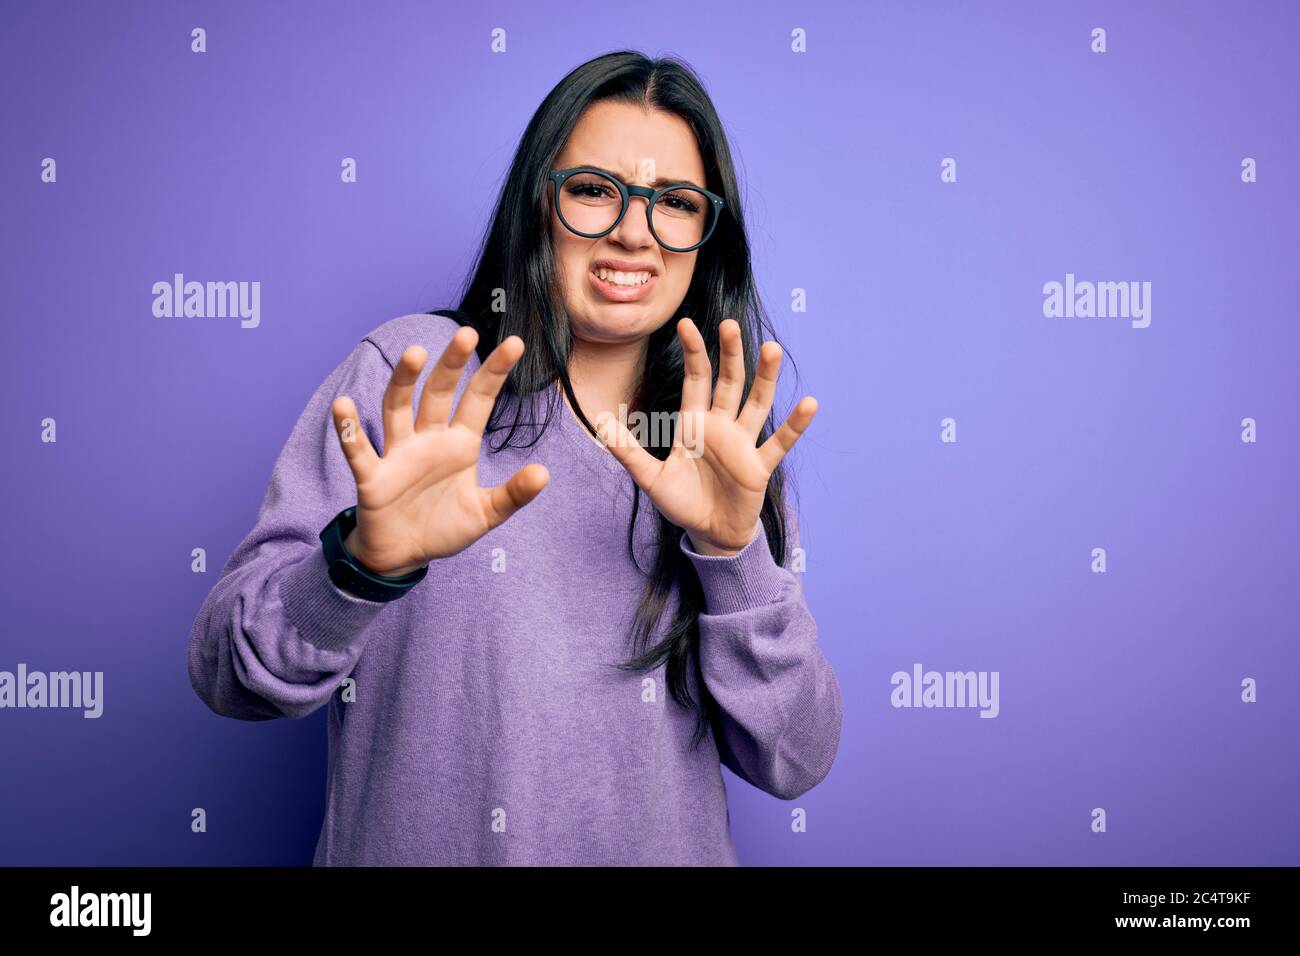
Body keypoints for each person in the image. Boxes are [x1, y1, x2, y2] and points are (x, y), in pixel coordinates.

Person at [187, 49, 843, 866]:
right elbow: (229, 674)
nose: (634, 231)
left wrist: (731, 555)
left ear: (709, 235)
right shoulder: (417, 374)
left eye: (673, 202)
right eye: (595, 190)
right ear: (541, 204)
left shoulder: (723, 442)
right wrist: (357, 568)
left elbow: (793, 760)